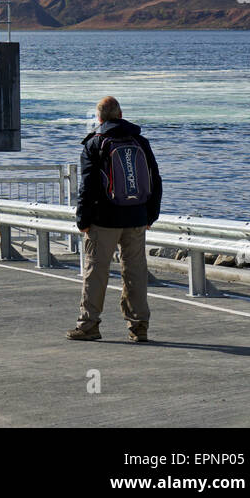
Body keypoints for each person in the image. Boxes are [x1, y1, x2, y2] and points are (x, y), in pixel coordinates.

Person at [67, 96, 162, 343]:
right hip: (136, 217)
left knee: (96, 272)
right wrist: (150, 214)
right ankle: (139, 326)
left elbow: (86, 186)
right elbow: (155, 179)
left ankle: (89, 326)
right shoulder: (140, 141)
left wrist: (82, 220)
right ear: (121, 115)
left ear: (99, 119)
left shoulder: (95, 144)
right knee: (135, 273)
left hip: (103, 220)